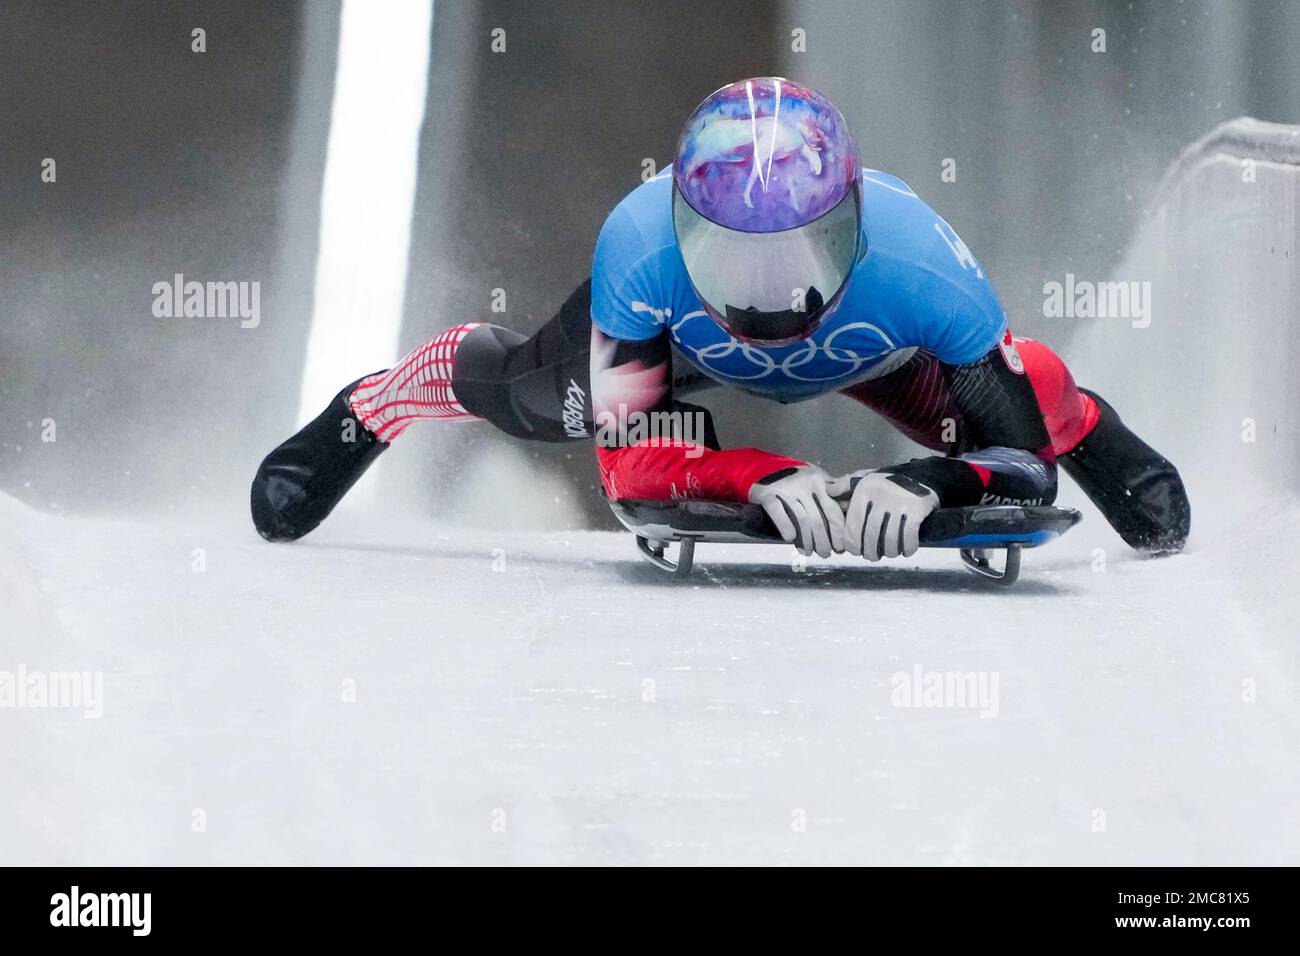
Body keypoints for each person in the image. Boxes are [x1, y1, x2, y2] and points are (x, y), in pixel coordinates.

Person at [251, 77, 1189, 561]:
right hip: (679, 341)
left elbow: (1025, 462)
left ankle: (1104, 430)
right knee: (537, 400)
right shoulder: (639, 250)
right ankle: (373, 406)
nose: (767, 298)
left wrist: (937, 481)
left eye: (797, 255)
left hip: (867, 347)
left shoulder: (924, 264)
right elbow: (627, 462)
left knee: (1030, 383)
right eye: (733, 257)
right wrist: (756, 474)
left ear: (854, 228)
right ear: (682, 231)